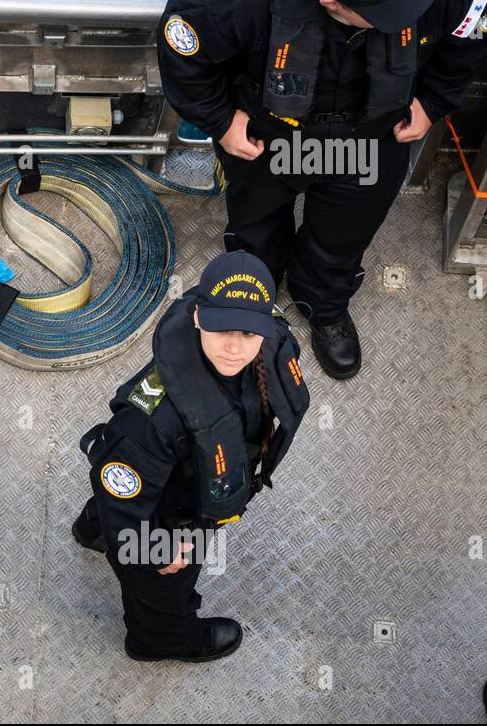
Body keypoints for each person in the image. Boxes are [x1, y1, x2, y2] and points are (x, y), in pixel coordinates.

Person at [157, 0, 487, 379]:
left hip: (372, 134)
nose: (405, 14)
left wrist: (434, 100)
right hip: (273, 135)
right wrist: (221, 120)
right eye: (384, 14)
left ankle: (322, 304)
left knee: (342, 236)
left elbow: (478, 22)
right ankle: (258, 296)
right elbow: (181, 44)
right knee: (257, 229)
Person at [71, 251, 310, 662]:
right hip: (167, 520)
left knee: (114, 512)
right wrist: (159, 551)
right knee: (162, 589)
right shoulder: (152, 419)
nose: (235, 348)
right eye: (221, 329)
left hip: (183, 477)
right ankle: (160, 641)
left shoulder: (263, 345)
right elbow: (120, 493)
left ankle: (91, 531)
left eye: (250, 334)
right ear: (198, 317)